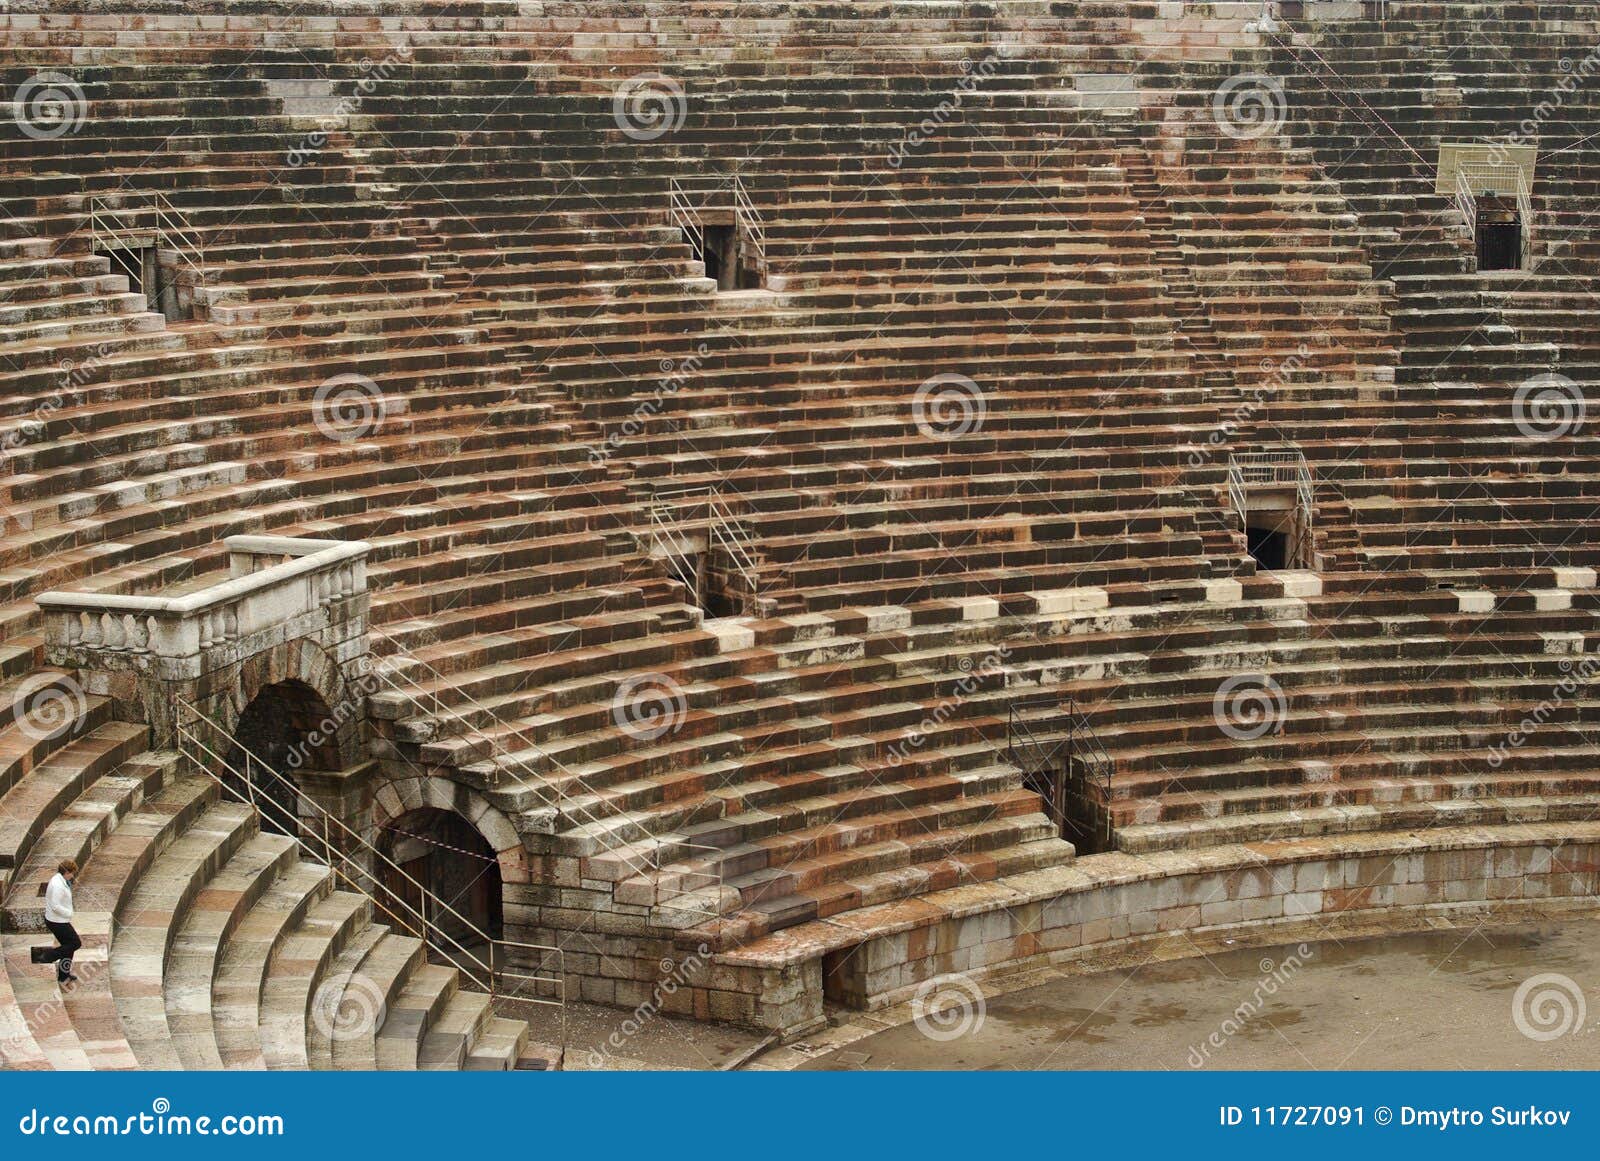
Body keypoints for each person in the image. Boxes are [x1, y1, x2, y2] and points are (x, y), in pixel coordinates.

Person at [41, 859, 81, 986]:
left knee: (68, 946)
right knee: (75, 943)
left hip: (59, 920)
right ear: (67, 872)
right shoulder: (58, 885)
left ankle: (63, 975)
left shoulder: (60, 880)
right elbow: (55, 906)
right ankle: (47, 956)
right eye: (72, 873)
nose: (73, 876)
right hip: (57, 921)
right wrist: (69, 913)